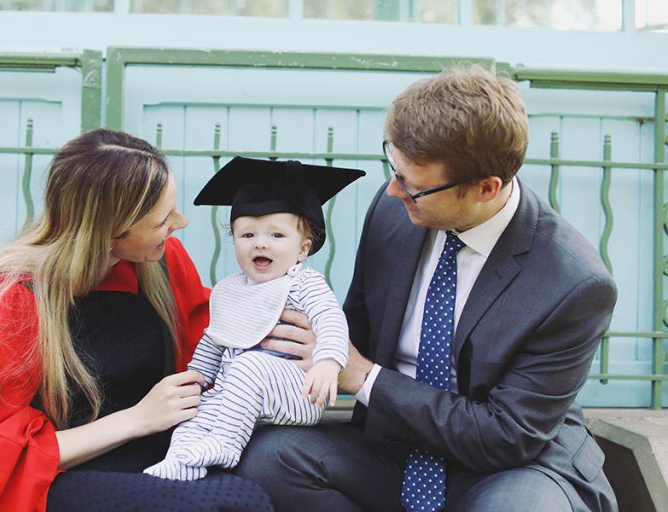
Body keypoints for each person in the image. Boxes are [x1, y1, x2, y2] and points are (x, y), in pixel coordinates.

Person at [236, 65, 619, 512]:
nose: (395, 192)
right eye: (394, 169)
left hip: (511, 468)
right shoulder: (393, 209)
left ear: (486, 187)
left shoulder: (573, 283)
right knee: (271, 461)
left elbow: (506, 436)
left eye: (415, 187)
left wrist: (361, 376)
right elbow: (356, 327)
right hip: (393, 447)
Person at [0, 129, 282, 512]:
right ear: (108, 229)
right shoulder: (19, 300)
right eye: (161, 220)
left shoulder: (161, 264)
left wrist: (291, 333)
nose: (180, 222)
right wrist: (138, 419)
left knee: (250, 495)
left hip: (158, 455)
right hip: (62, 476)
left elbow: (214, 335)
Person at [144, 157, 365, 481]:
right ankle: (179, 461)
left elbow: (332, 321)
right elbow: (214, 339)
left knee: (248, 367)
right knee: (198, 408)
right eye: (247, 235)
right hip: (241, 394)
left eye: (277, 235)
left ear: (303, 249)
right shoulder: (232, 289)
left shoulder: (304, 284)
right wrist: (196, 379)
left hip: (296, 393)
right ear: (234, 241)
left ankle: (224, 447)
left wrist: (328, 363)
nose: (260, 242)